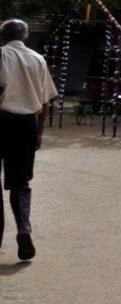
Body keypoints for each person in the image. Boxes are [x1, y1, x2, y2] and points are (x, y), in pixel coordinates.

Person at [0, 19, 57, 261]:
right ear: (25, 36)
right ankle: (23, 227)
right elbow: (45, 102)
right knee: (20, 183)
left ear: (3, 36)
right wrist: (39, 133)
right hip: (26, 125)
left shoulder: (1, 55)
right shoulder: (37, 59)